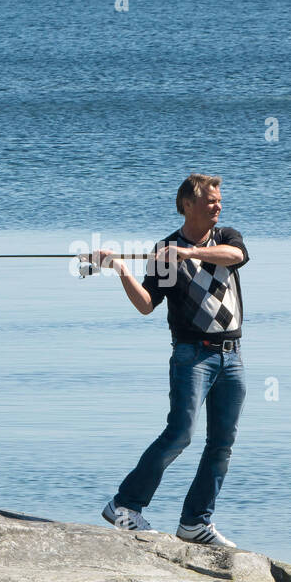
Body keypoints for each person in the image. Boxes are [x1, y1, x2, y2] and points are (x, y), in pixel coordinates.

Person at [94, 173, 248, 547]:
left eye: (219, 199)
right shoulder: (164, 251)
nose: (218, 206)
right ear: (188, 205)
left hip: (232, 356)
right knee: (180, 434)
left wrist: (189, 253)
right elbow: (147, 305)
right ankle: (125, 506)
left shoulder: (226, 237)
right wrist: (121, 270)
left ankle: (195, 523)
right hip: (191, 356)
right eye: (211, 200)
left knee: (222, 443)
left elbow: (237, 257)